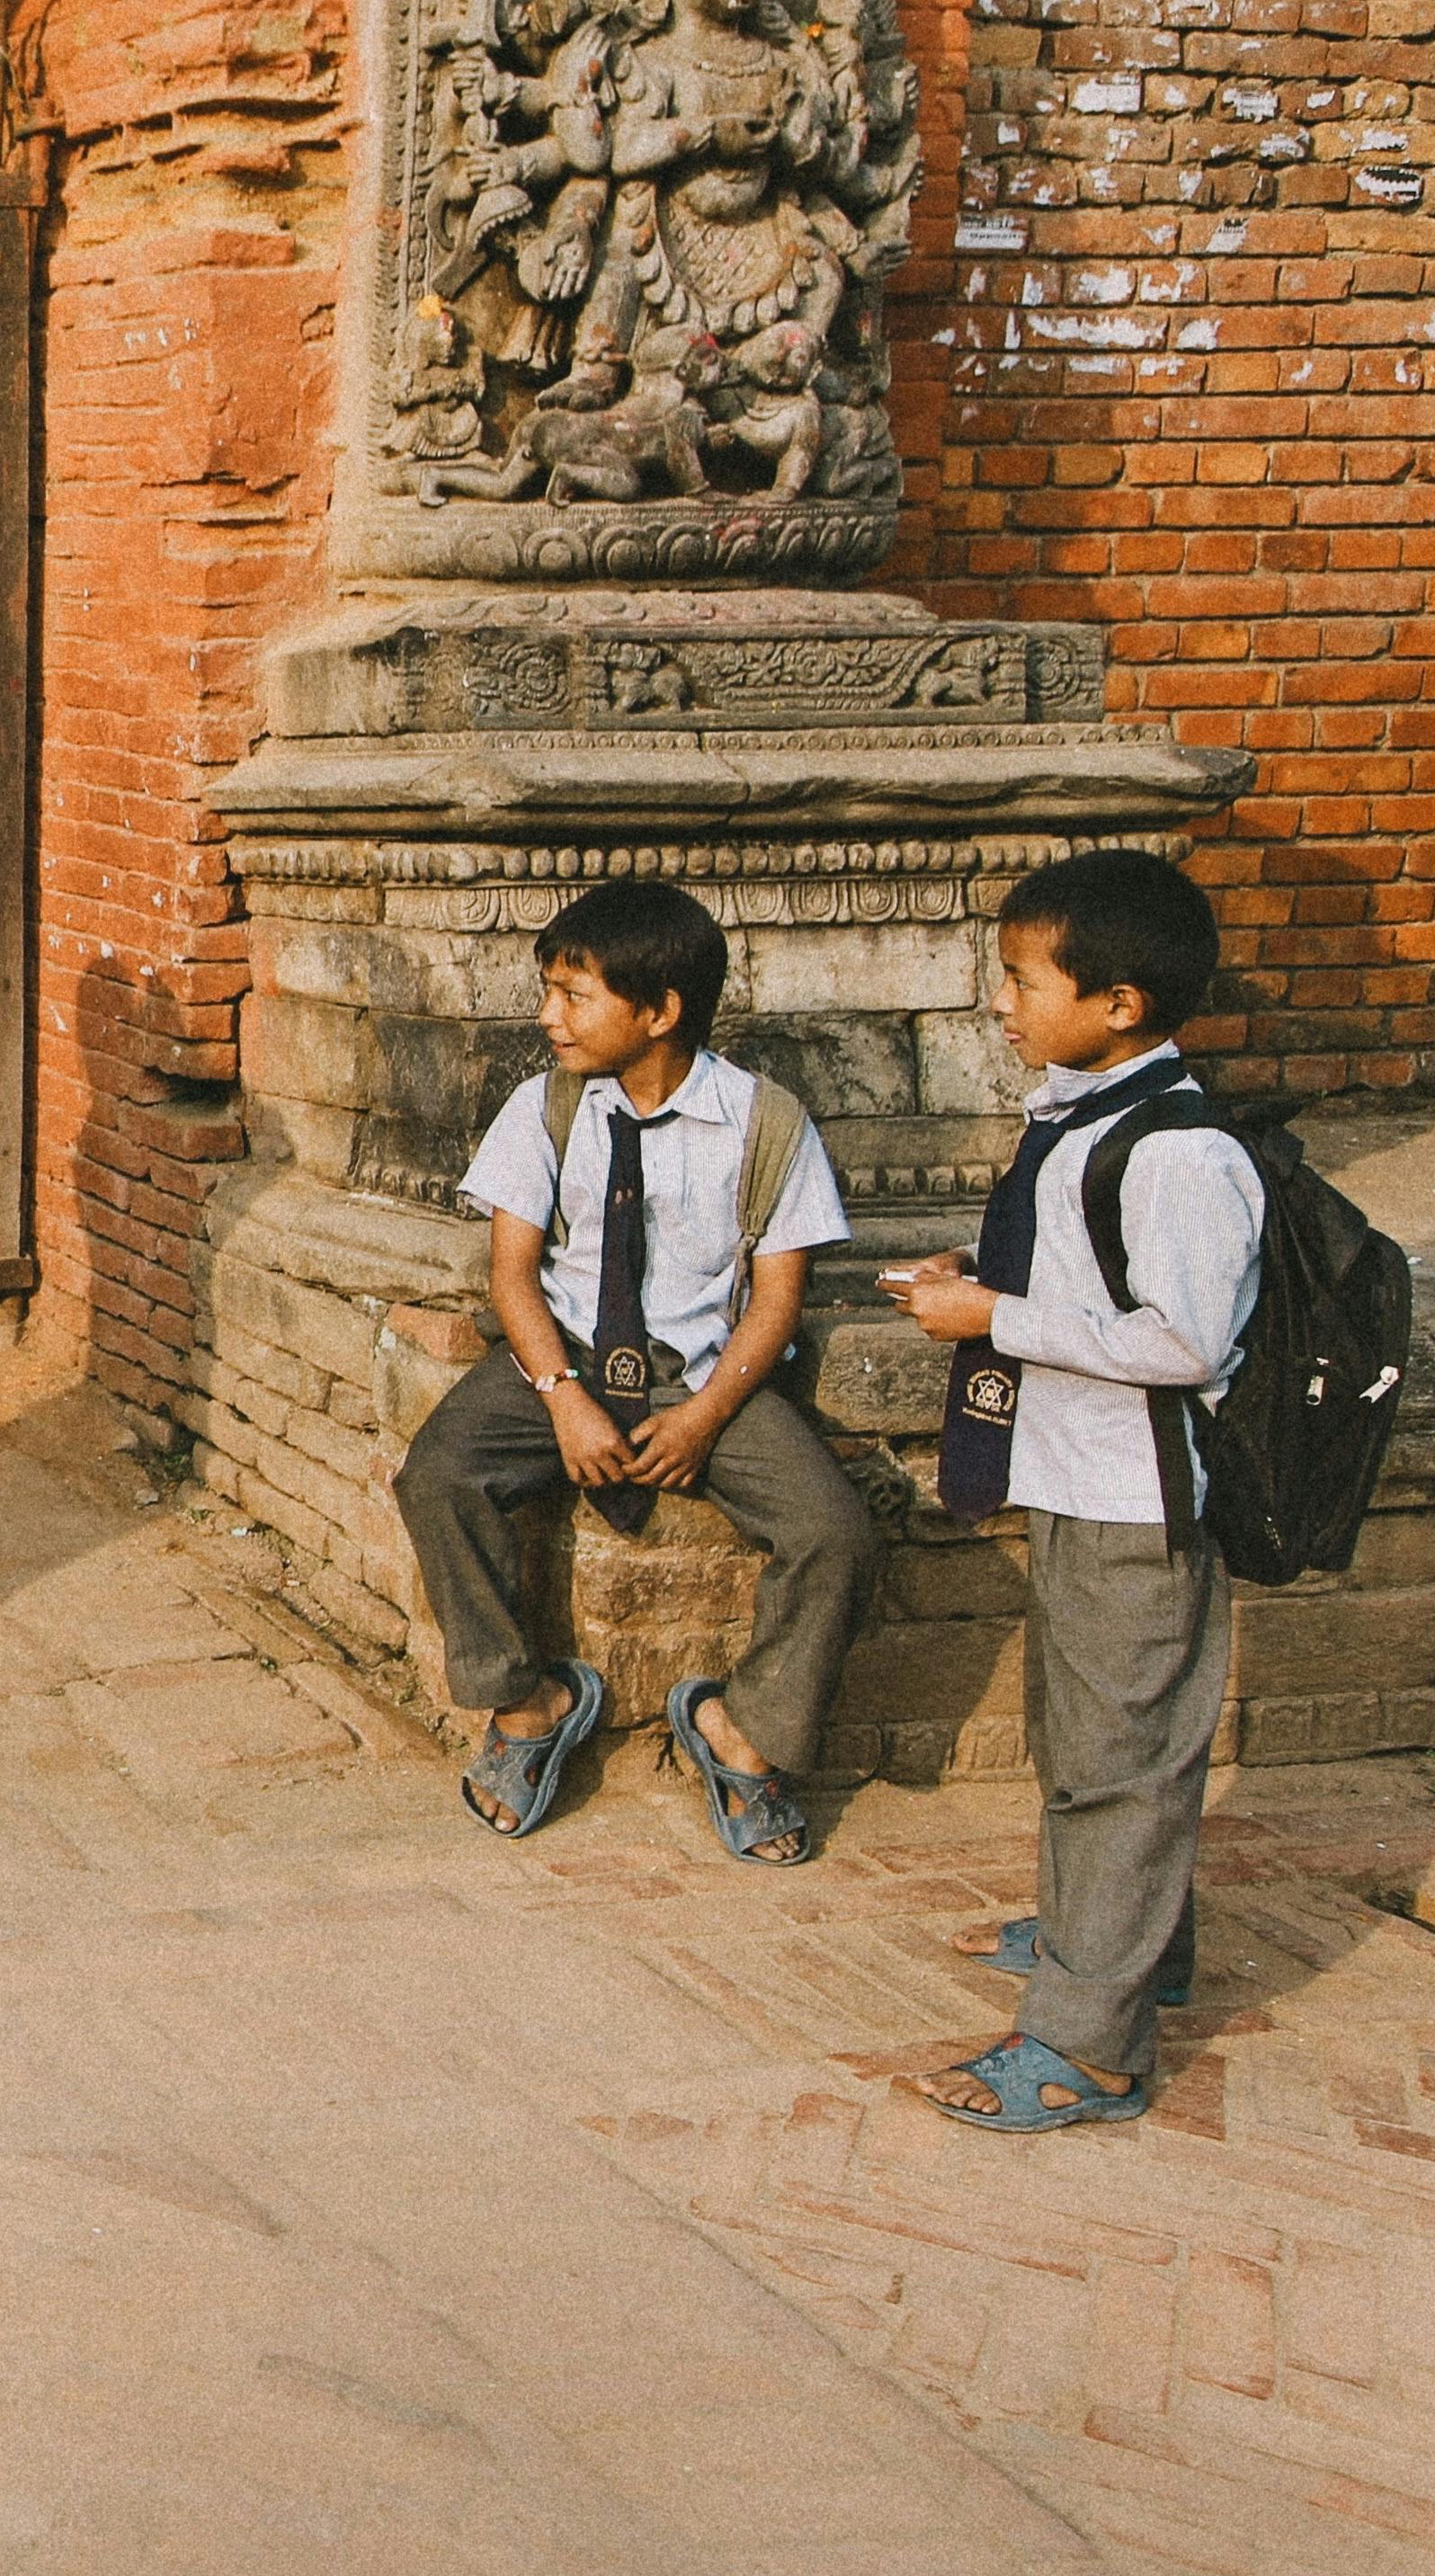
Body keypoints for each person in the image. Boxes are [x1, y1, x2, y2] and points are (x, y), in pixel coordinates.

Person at [887, 851, 1261, 2130]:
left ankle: (1086, 2045)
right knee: (1094, 1743)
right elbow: (1083, 1283)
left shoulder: (1181, 1154)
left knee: (1122, 1761)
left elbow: (1188, 1341)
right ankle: (1125, 1951)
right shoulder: (1082, 1114)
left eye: (1021, 978)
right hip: (1073, 1475)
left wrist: (996, 1312)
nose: (1003, 1001)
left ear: (1121, 1004)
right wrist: (975, 1277)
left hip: (1136, 1498)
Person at [394, 877, 869, 1858]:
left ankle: (741, 1728)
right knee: (440, 1474)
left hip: (707, 1377)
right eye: (549, 991)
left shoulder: (766, 1125)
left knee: (837, 1533)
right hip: (560, 1356)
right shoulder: (547, 1108)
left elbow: (778, 1302)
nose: (548, 1018)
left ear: (660, 1012)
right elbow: (512, 1276)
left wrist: (700, 1420)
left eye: (575, 996)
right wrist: (563, 1400)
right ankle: (528, 1703)